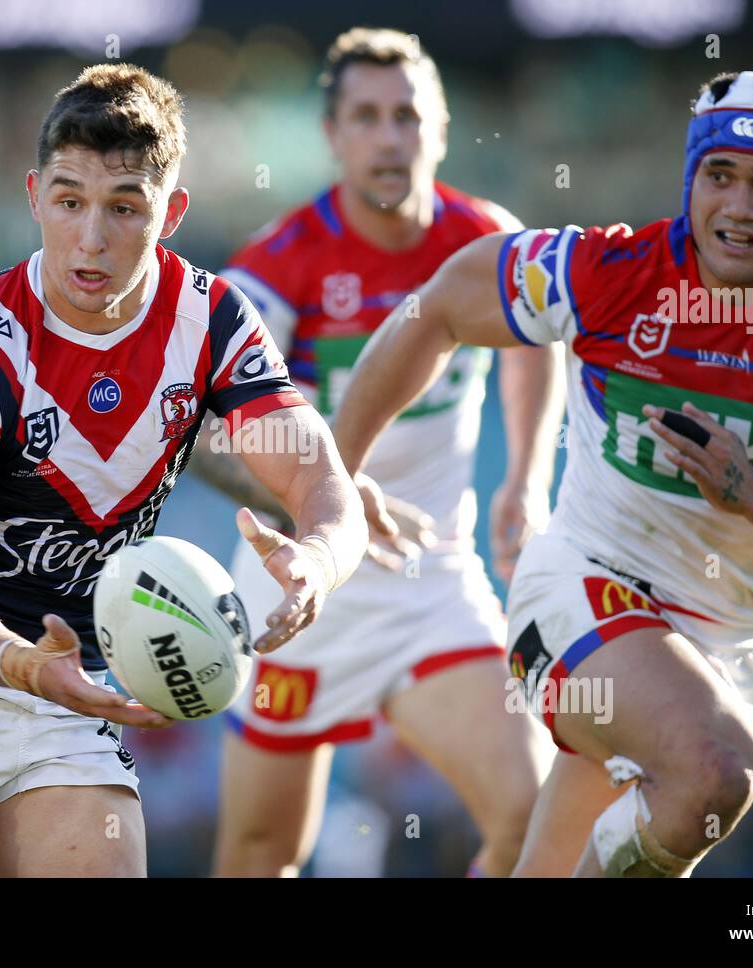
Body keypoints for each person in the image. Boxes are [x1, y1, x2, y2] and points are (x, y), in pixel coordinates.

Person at [333, 60, 753, 876]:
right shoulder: (607, 272)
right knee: (719, 771)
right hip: (580, 596)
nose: (739, 208)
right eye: (720, 175)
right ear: (692, 177)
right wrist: (333, 480)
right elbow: (439, 304)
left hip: (723, 651)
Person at [0, 63, 367, 877]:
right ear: (35, 196)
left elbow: (322, 489)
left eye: (124, 207)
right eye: (69, 202)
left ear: (170, 212)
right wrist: (26, 665)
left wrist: (316, 562)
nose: (92, 238)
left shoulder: (212, 321)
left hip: (71, 685)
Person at [195, 27, 560, 878]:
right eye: (366, 116)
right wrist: (326, 496)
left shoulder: (485, 243)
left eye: (407, 116)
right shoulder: (279, 266)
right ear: (333, 135)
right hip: (298, 586)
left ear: (439, 129)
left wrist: (526, 479)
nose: (390, 137)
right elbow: (204, 438)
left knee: (534, 817)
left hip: (428, 579)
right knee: (260, 853)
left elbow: (541, 341)